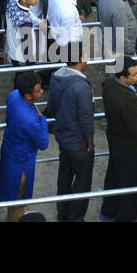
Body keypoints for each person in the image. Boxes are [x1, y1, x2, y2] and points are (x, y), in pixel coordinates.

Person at [100, 56, 137, 222]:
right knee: (131, 187)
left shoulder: (110, 84)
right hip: (130, 147)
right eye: (134, 75)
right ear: (122, 78)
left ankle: (108, 212)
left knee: (114, 177)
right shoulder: (126, 100)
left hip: (115, 140)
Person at [45, 45, 95, 222]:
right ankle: (76, 217)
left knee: (64, 176)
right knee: (82, 181)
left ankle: (63, 212)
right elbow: (86, 117)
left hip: (63, 137)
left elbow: (51, 107)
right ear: (80, 59)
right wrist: (90, 142)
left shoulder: (56, 76)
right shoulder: (81, 87)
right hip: (79, 142)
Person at [0, 71, 49, 222]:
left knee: (11, 198)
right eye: (38, 91)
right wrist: (42, 119)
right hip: (22, 164)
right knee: (18, 204)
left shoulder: (13, 96)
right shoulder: (30, 120)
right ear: (28, 96)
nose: (42, 91)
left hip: (9, 152)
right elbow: (44, 143)